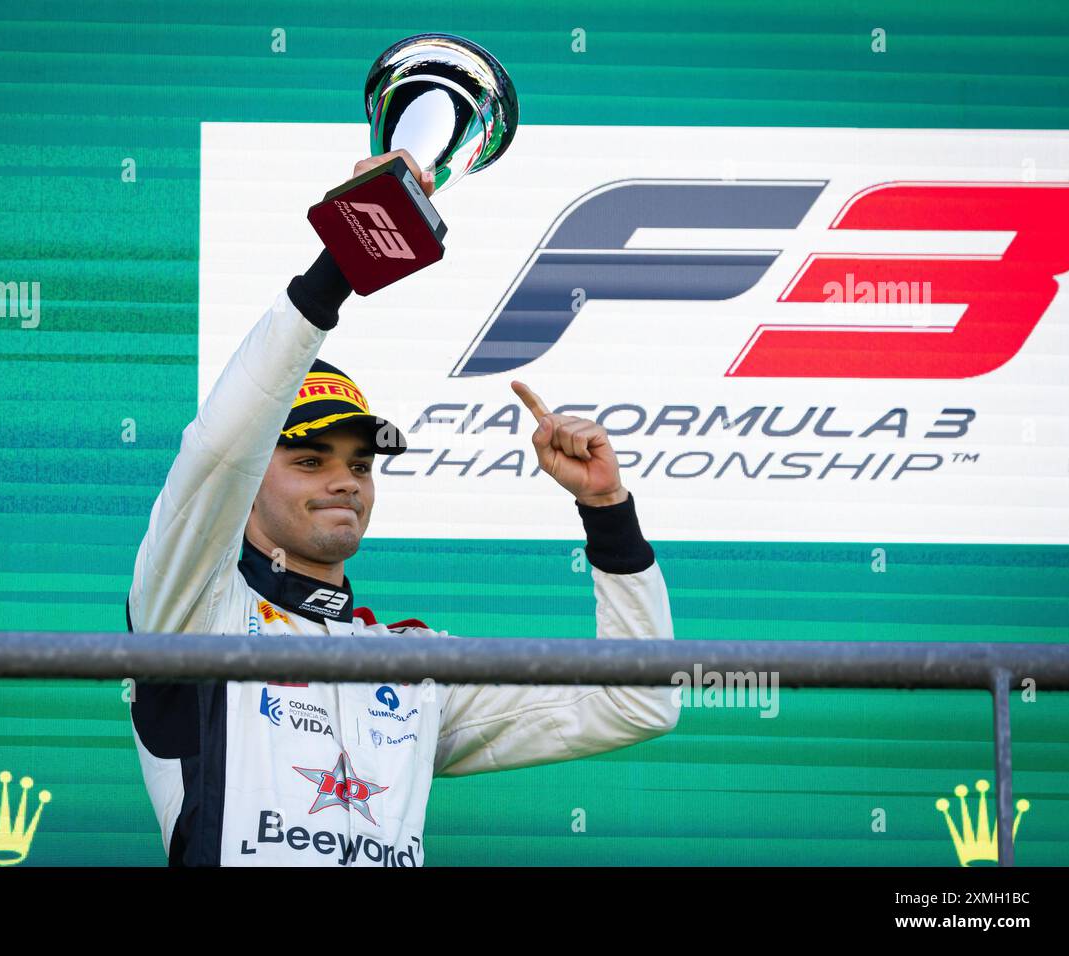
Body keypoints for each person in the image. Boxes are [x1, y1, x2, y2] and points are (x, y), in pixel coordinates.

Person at [125, 151, 680, 867]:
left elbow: (636, 703)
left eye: (359, 464)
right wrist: (339, 265)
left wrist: (607, 510)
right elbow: (219, 451)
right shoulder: (196, 613)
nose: (345, 481)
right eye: (308, 460)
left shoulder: (411, 666)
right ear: (251, 485)